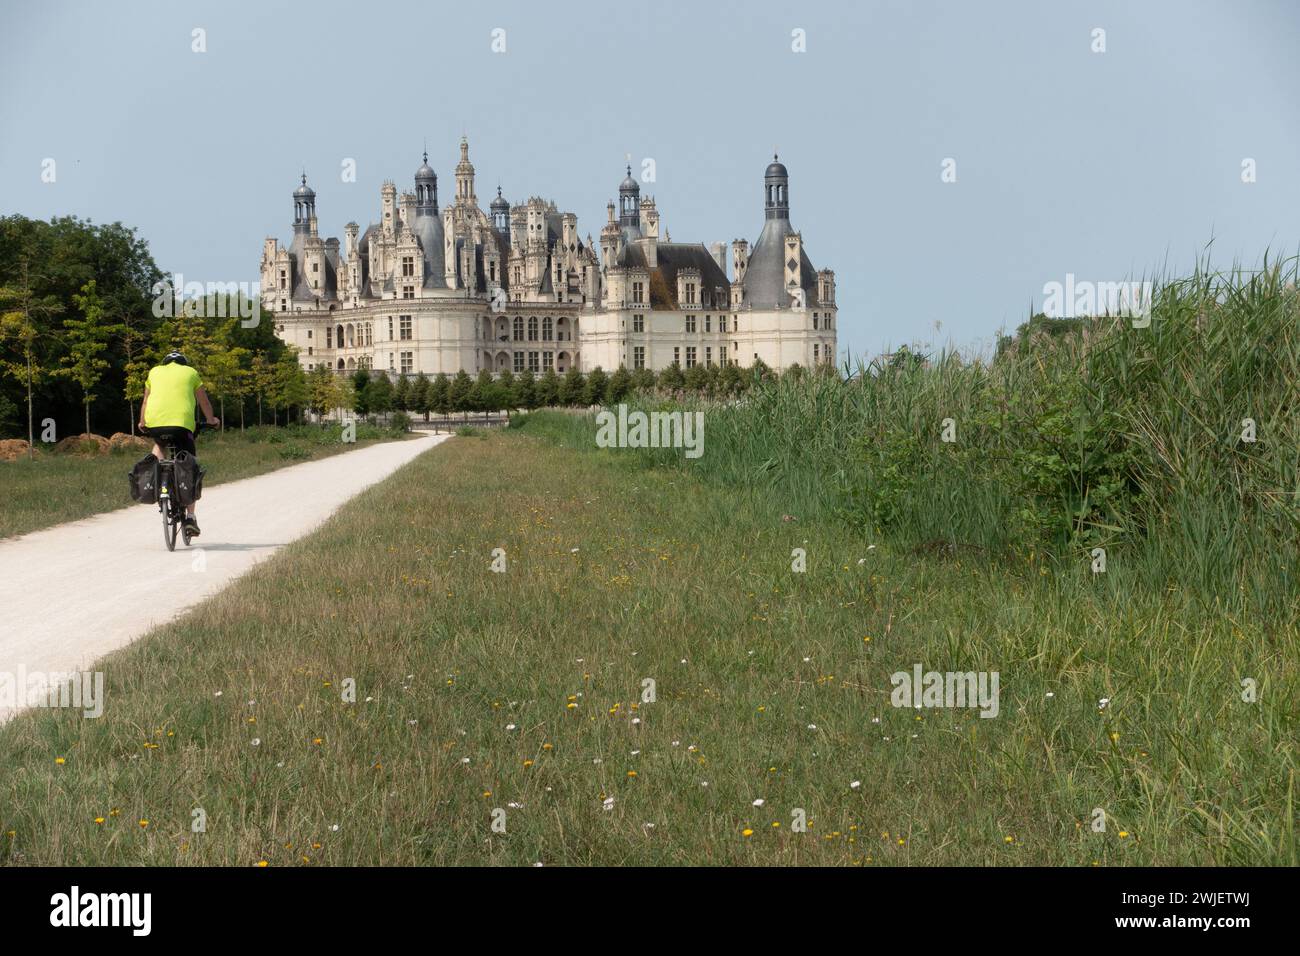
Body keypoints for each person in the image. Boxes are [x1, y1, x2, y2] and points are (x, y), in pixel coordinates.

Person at [138, 351, 220, 537]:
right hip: (182, 426)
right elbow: (204, 402)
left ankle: (156, 481)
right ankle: (190, 517)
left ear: (165, 363)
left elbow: (145, 401)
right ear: (184, 363)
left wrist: (142, 423)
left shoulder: (154, 372)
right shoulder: (191, 372)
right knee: (189, 465)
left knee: (159, 446)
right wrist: (211, 420)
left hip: (156, 425)